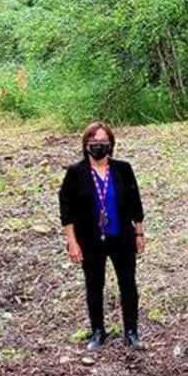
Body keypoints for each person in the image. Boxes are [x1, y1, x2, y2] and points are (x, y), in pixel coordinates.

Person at [58, 121, 146, 351]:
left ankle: (131, 331)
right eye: (94, 142)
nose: (99, 146)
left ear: (111, 145)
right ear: (86, 144)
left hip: (121, 237)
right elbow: (66, 210)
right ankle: (98, 331)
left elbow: (136, 203)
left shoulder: (123, 169)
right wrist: (72, 242)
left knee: (128, 284)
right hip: (90, 240)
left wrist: (139, 232)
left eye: (104, 143)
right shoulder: (75, 173)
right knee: (94, 286)